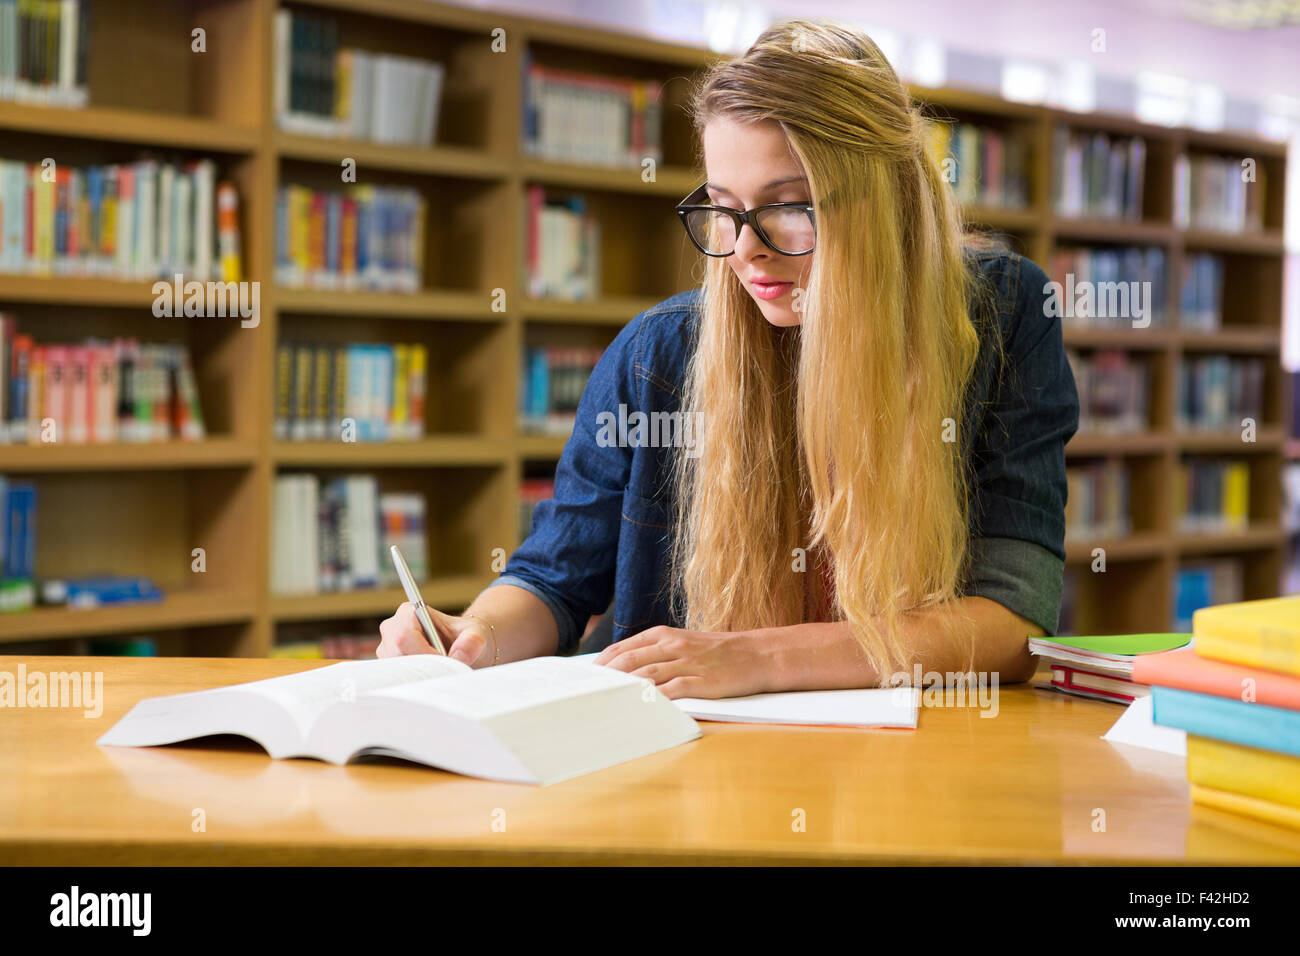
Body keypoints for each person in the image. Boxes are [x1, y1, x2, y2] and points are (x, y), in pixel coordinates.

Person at [379, 17, 1079, 698]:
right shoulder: (660, 352)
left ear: (887, 202)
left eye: (789, 206)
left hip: (902, 768)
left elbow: (1012, 625)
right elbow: (555, 581)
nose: (745, 250)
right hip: (686, 756)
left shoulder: (1002, 316)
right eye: (722, 207)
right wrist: (477, 638)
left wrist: (757, 658)